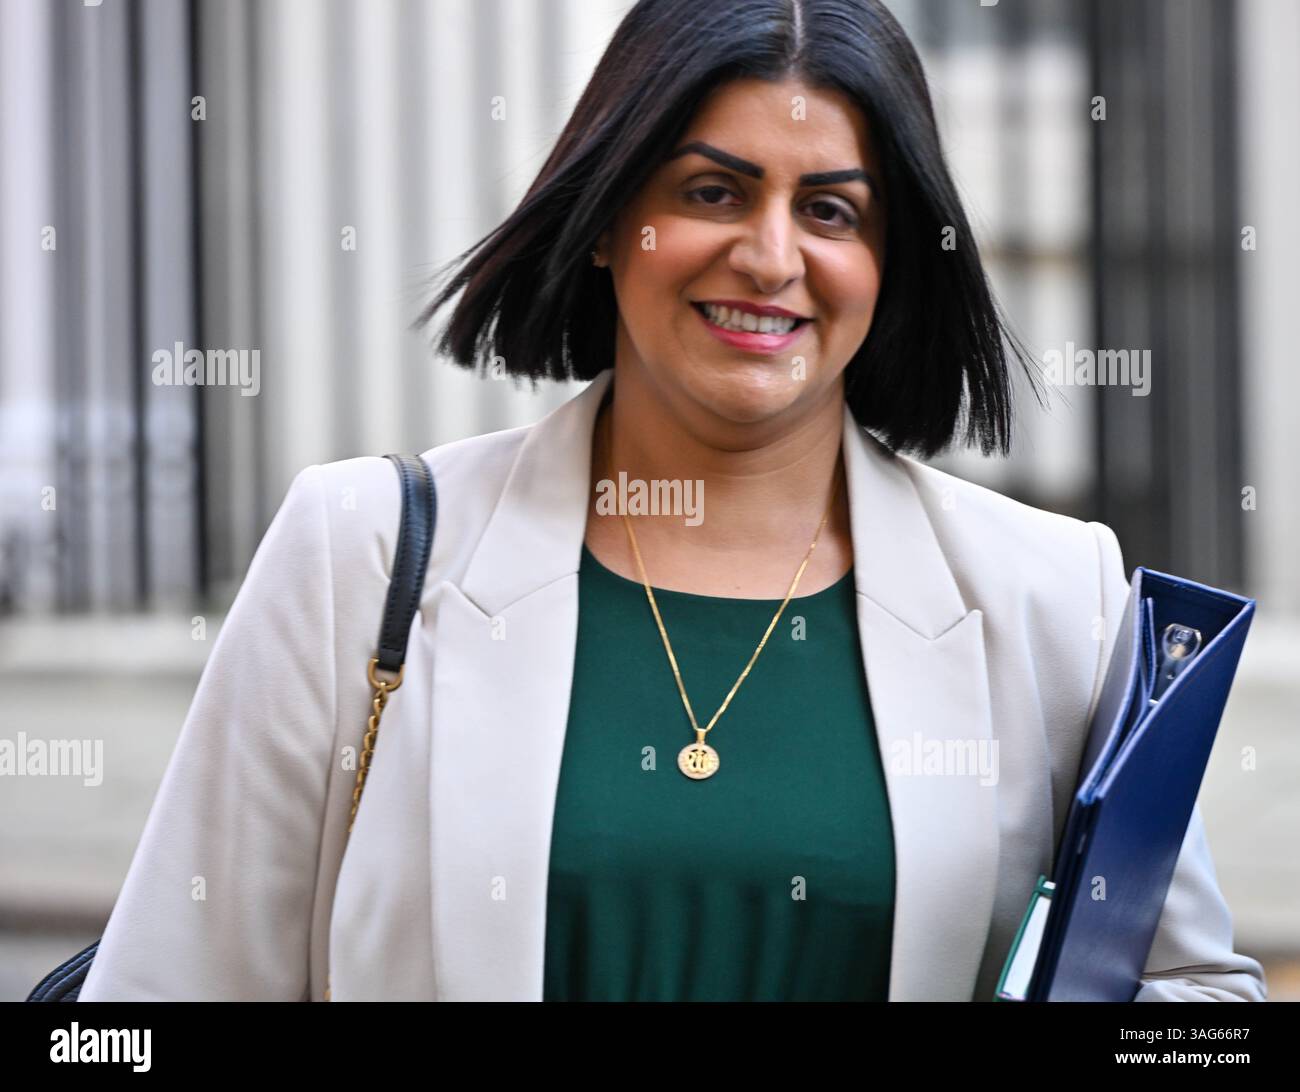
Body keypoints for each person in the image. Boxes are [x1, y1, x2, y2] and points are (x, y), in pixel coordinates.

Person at [78, 0, 1265, 1001]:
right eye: (711, 191)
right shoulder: (361, 558)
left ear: (889, 261)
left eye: (831, 210)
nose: (768, 254)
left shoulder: (1056, 602)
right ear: (607, 222)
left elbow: (1198, 1005)